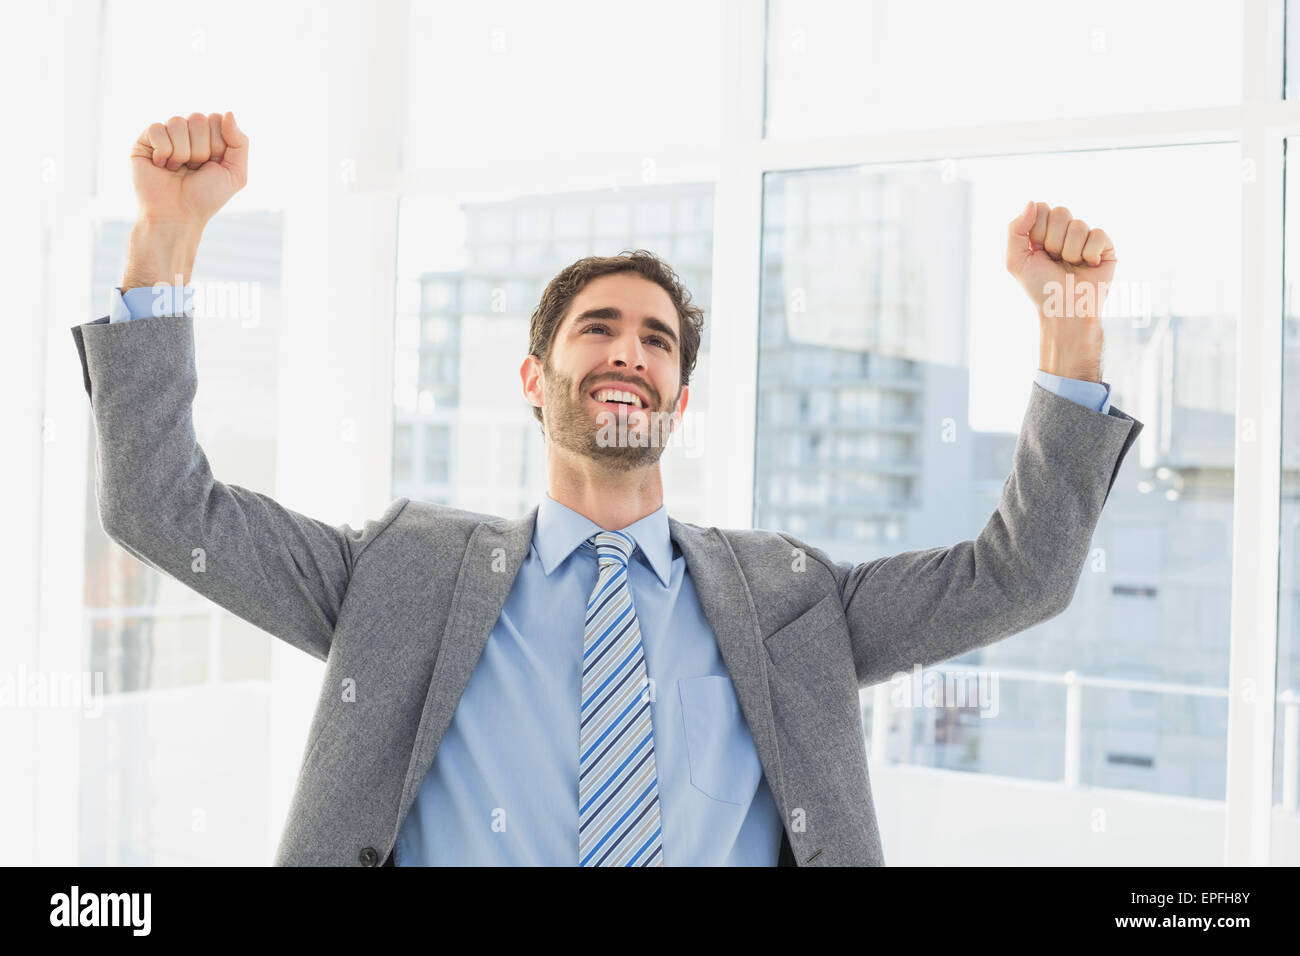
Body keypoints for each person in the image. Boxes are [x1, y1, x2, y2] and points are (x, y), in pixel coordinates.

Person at [71, 112, 1143, 866]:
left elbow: (1023, 573)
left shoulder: (794, 600)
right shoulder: (396, 571)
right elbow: (164, 507)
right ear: (535, 379)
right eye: (598, 328)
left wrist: (1069, 329)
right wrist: (166, 242)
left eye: (658, 339)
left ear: (680, 393)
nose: (630, 350)